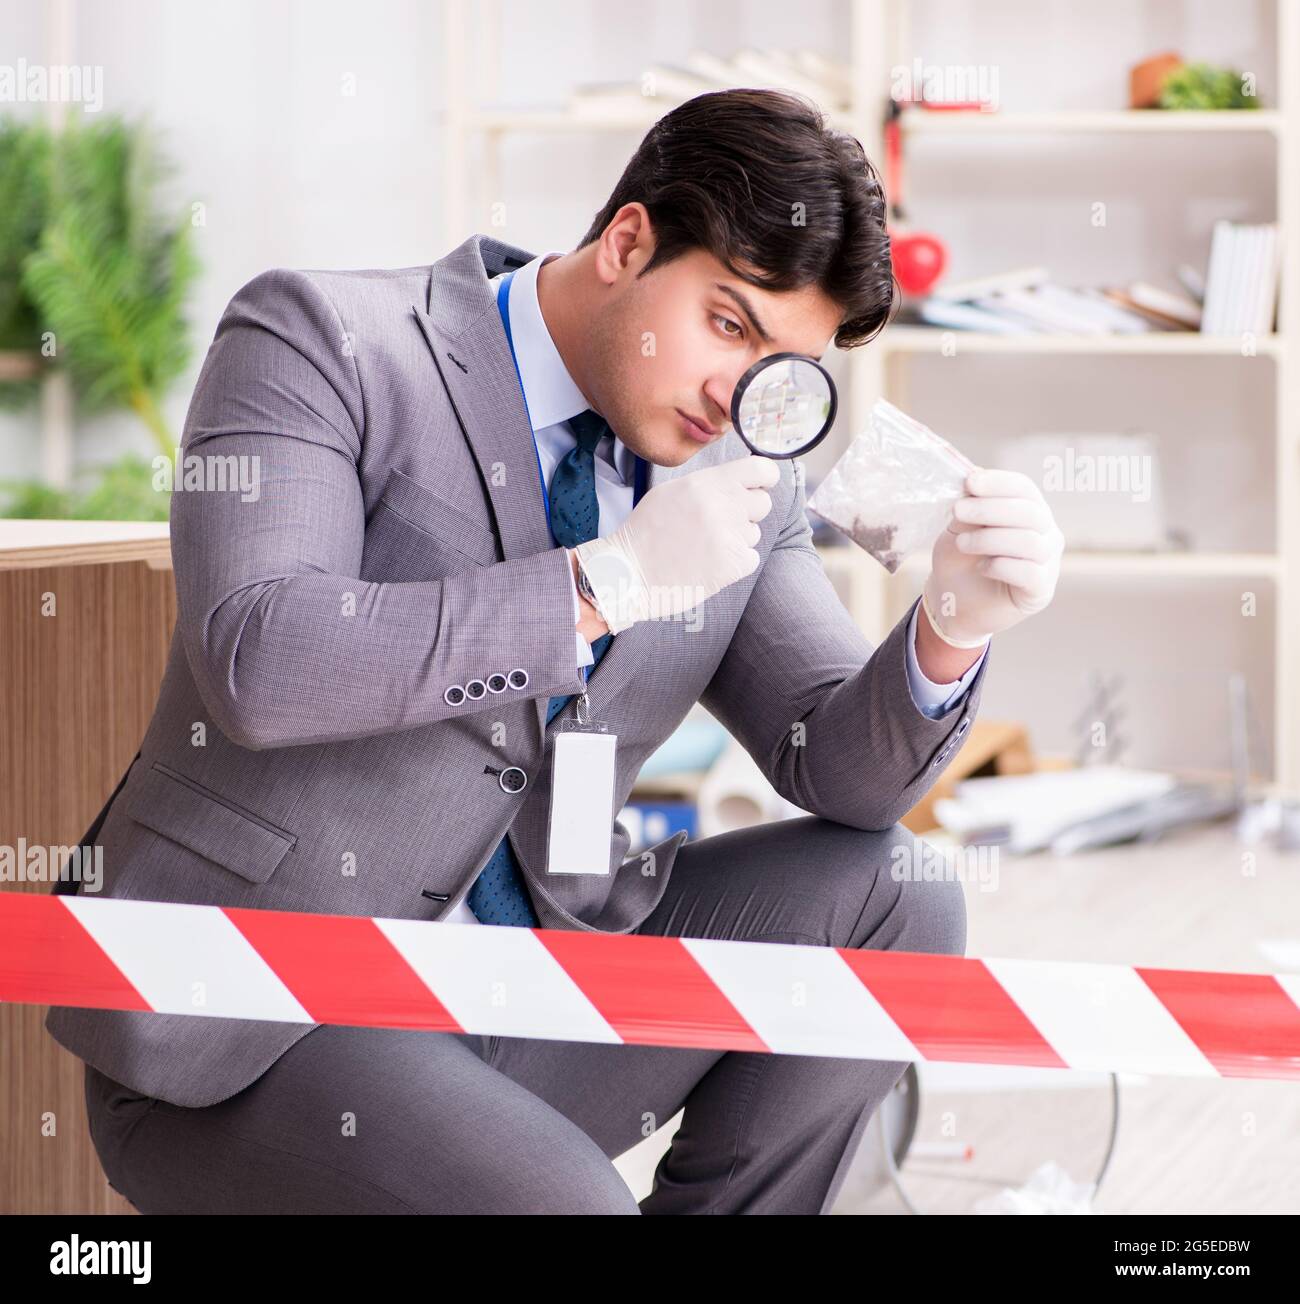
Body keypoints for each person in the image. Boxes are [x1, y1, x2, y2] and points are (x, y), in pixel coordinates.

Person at [47, 88, 1062, 1214]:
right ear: (627, 241)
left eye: (785, 364)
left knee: (898, 897)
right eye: (728, 324)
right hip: (261, 1019)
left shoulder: (733, 481)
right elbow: (259, 658)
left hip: (533, 998)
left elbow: (836, 766)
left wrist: (949, 626)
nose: (739, 395)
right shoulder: (325, 338)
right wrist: (602, 581)